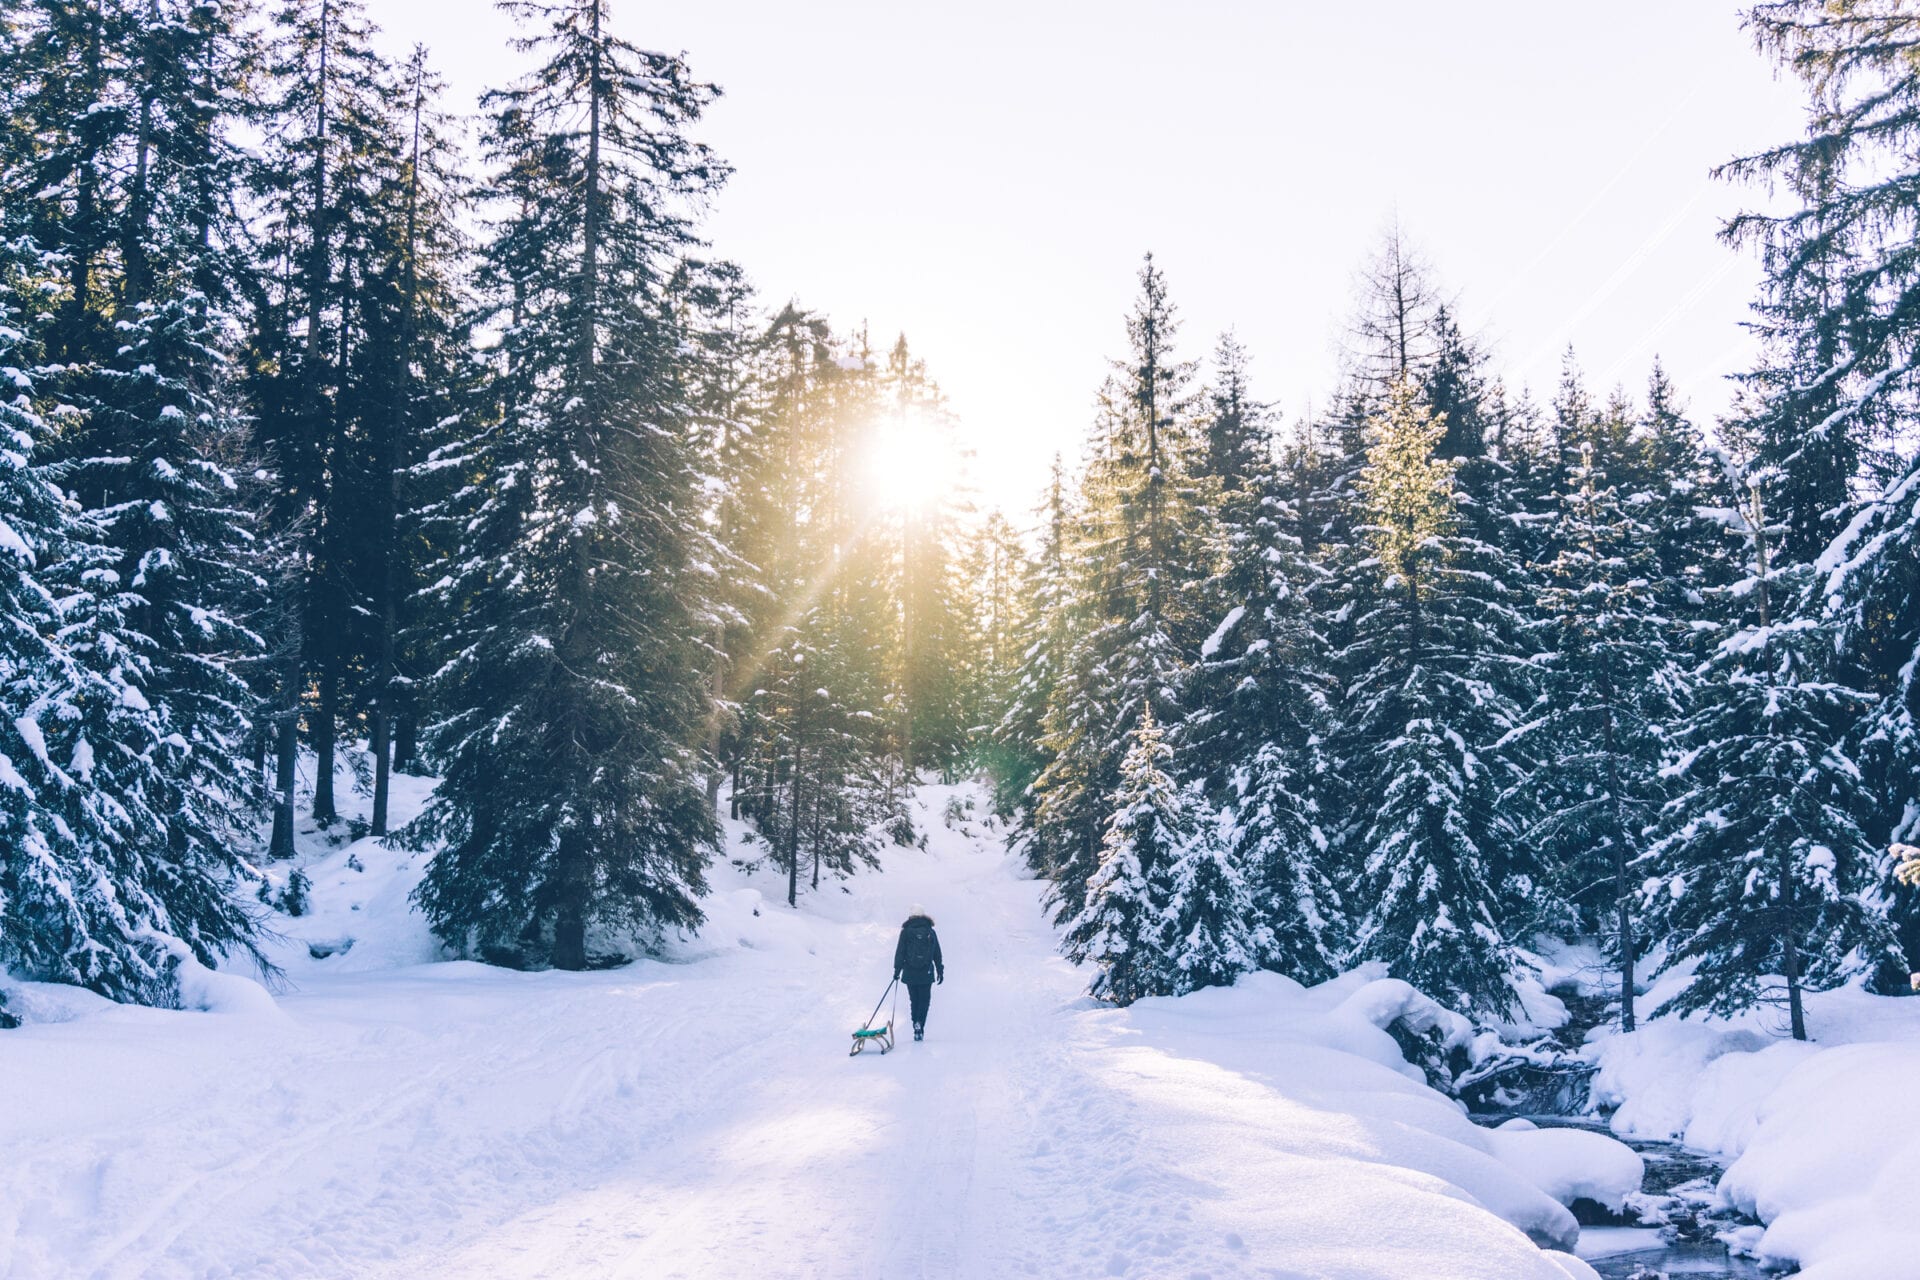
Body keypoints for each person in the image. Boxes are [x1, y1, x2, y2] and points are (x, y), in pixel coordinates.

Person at [892, 906, 944, 1042]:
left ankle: (915, 1023)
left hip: (910, 972)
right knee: (924, 1001)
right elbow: (936, 953)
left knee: (914, 1000)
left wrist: (897, 970)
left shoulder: (906, 932)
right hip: (926, 973)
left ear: (911, 916)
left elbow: (900, 952)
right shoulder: (930, 932)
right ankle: (920, 1024)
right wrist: (940, 970)